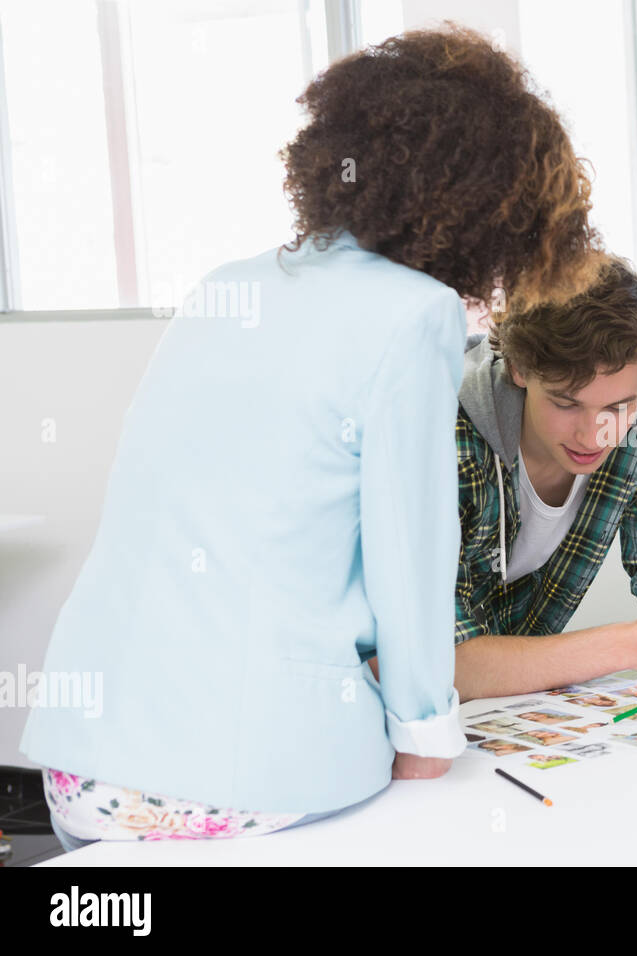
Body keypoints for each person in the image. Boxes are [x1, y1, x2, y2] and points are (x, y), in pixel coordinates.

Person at [20, 26, 605, 852]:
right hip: (240, 774)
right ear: (489, 210)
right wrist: (426, 734)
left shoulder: (222, 286)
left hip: (83, 768)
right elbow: (411, 554)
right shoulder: (415, 314)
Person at [368, 257, 637, 701]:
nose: (593, 432)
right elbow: (432, 660)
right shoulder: (442, 434)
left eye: (617, 407)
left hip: (502, 707)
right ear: (519, 369)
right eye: (566, 403)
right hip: (374, 700)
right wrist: (631, 643)